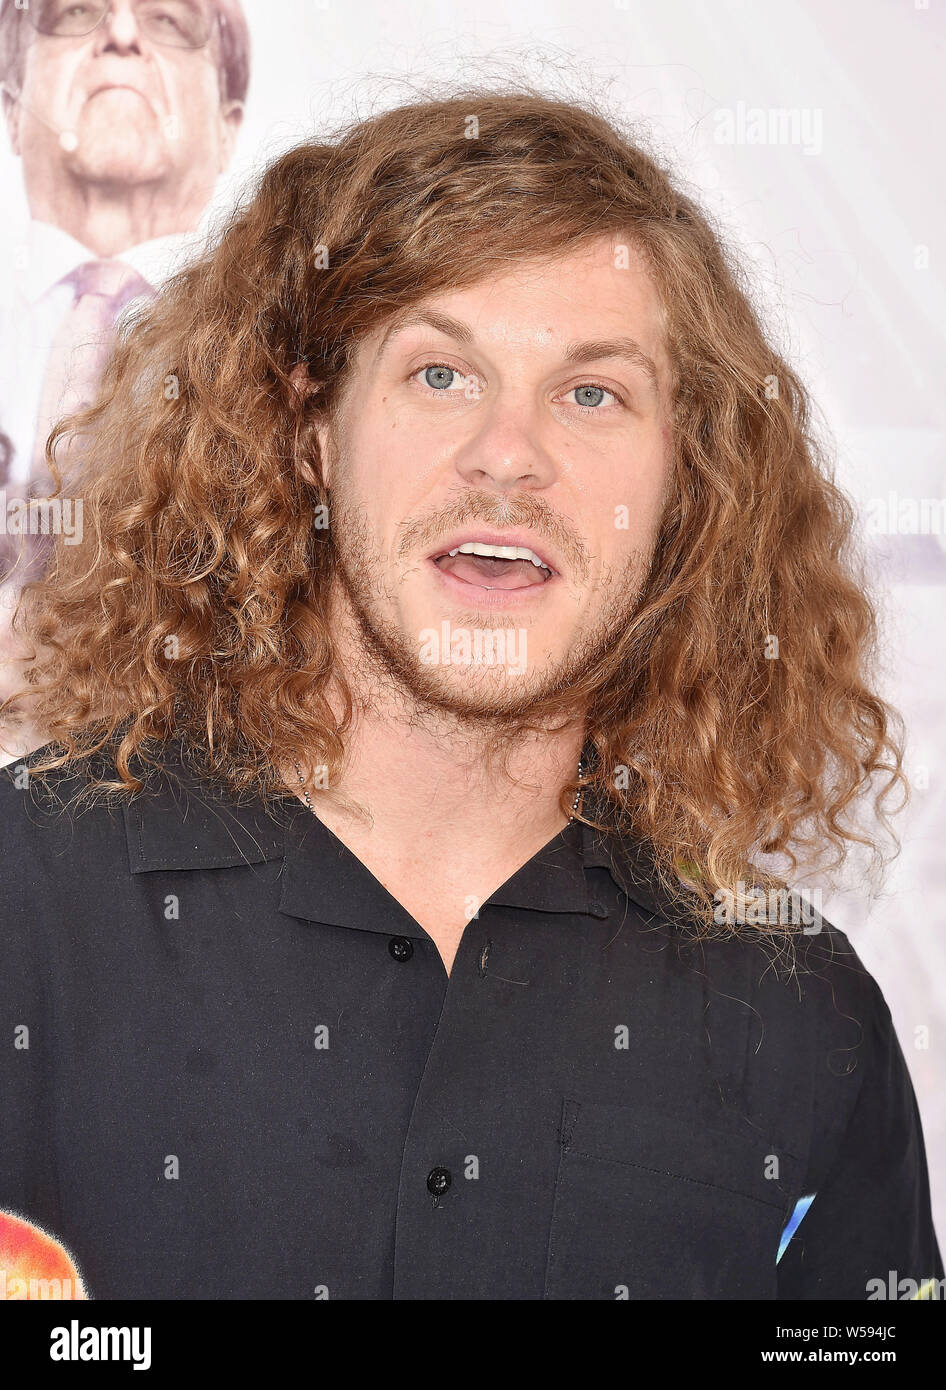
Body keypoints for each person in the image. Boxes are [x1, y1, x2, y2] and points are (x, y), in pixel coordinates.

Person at [0, 89, 941, 1301]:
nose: (509, 452)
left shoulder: (804, 1015)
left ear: (686, 482)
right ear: (311, 433)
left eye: (591, 392)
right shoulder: (26, 902)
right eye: (440, 374)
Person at [0, 0, 249, 740]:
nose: (120, 33)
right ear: (11, 103)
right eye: (77, 12)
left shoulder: (292, 353)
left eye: (169, 20)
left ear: (229, 126)